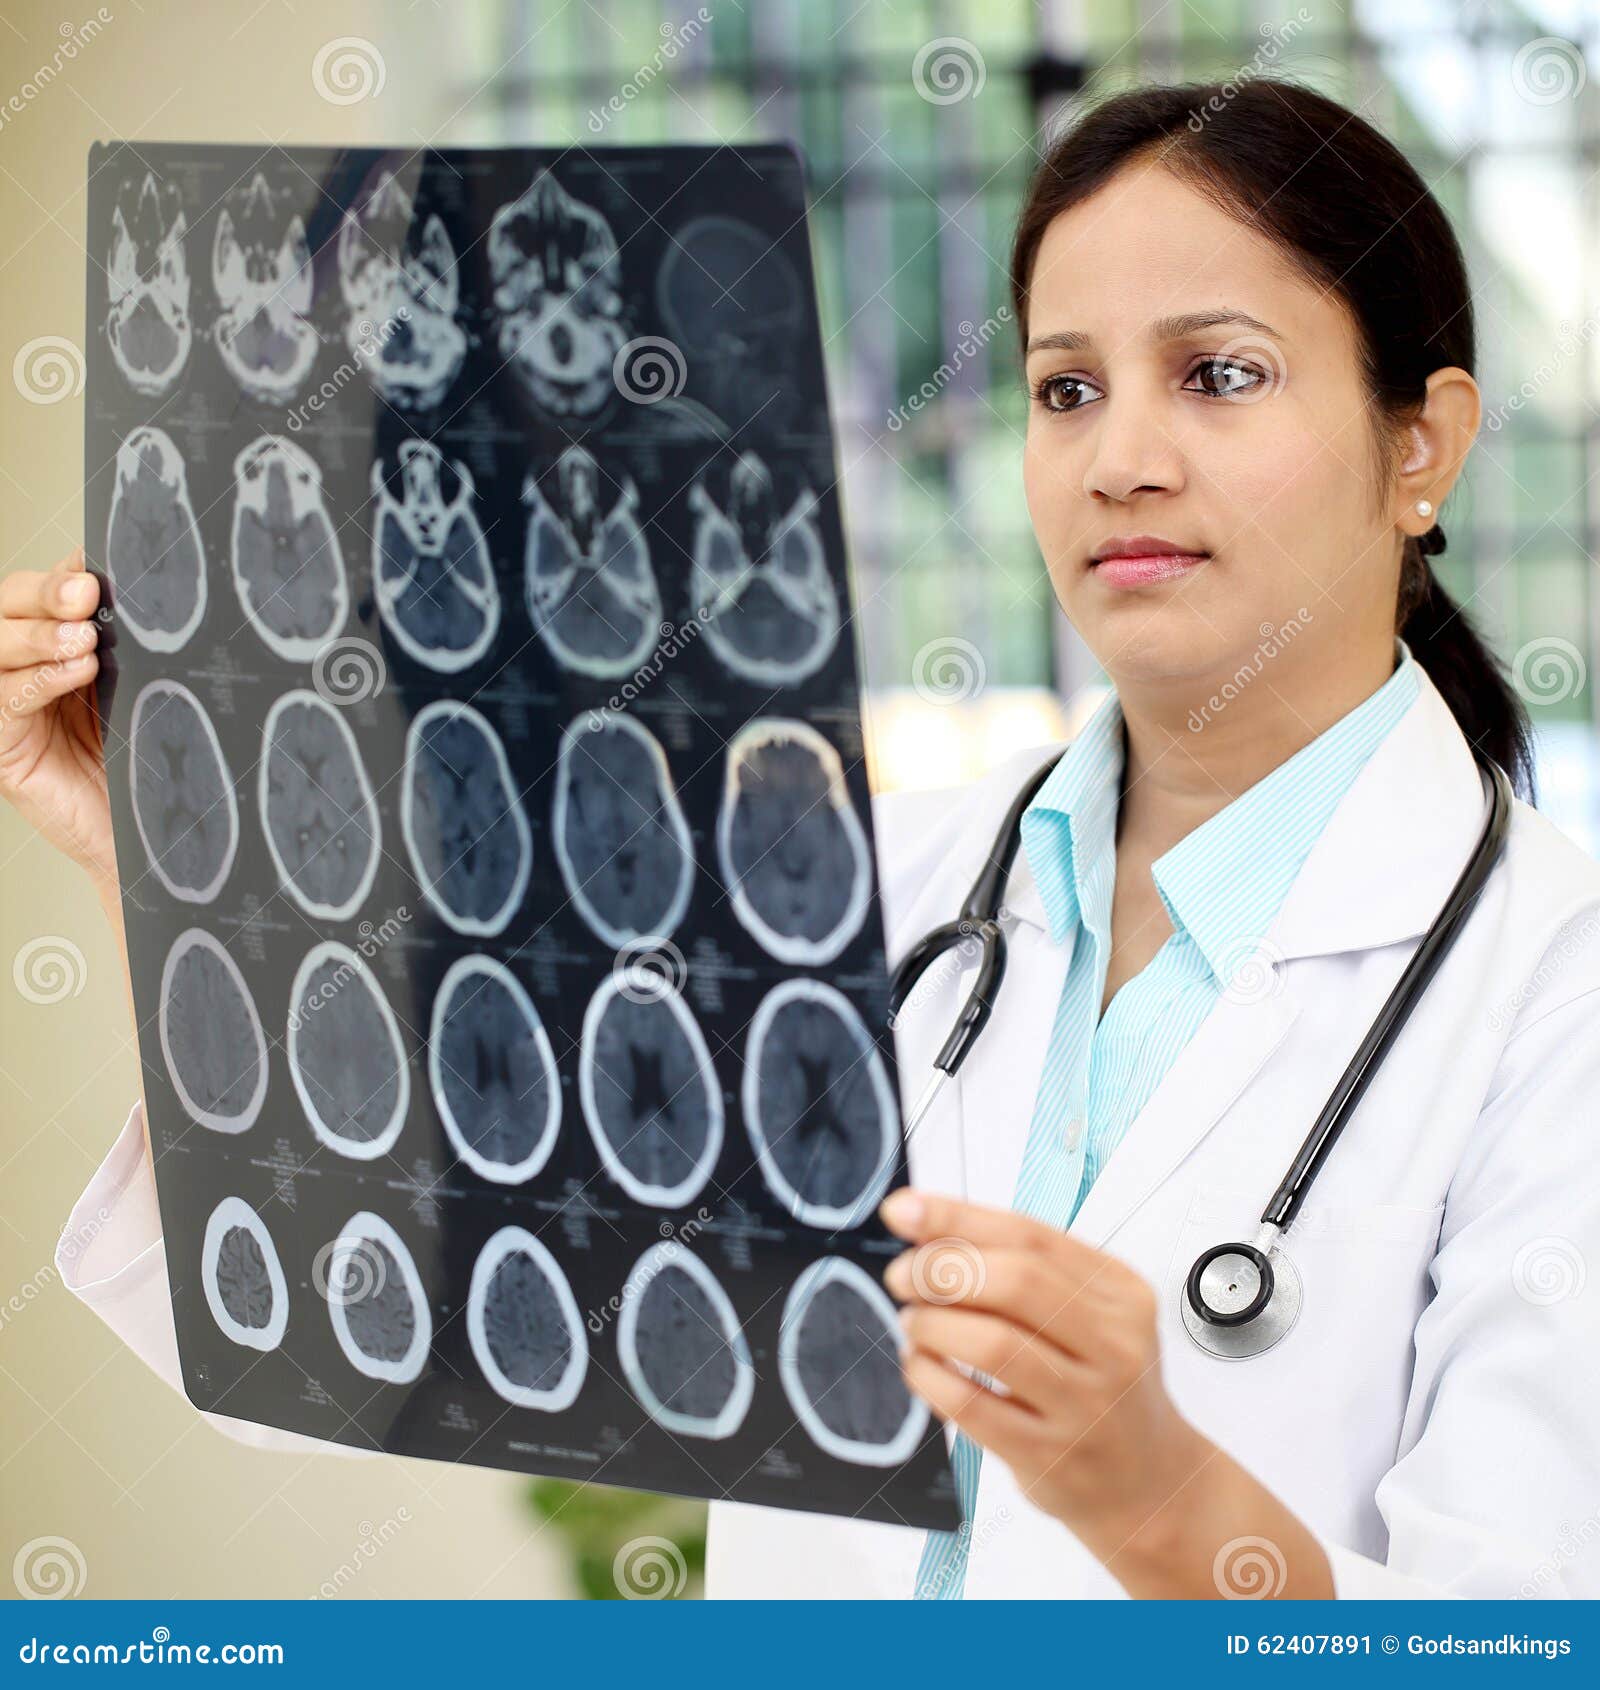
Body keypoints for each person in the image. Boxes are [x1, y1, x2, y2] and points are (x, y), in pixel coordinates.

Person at [6, 78, 1599, 1600]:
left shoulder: (1555, 990)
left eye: (1221, 372)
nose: (1121, 460)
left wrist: (1164, 1496)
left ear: (1424, 445)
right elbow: (394, 1322)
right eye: (1066, 387)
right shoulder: (858, 888)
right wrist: (160, 872)